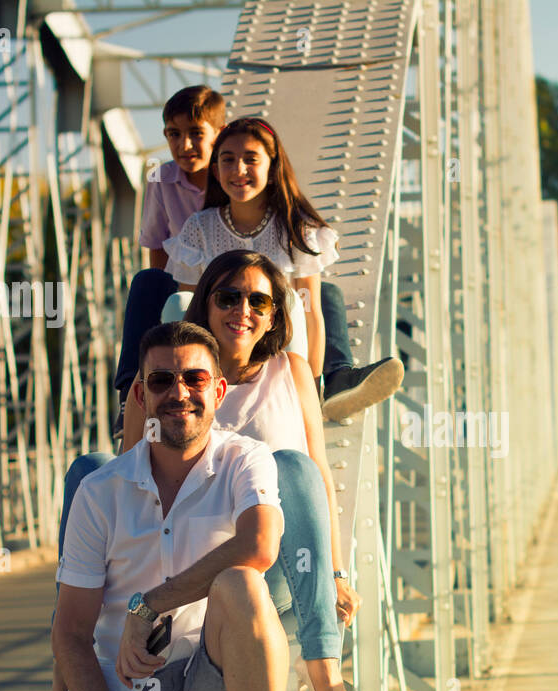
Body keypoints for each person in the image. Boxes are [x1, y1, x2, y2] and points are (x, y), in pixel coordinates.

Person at [0, 321, 308, 691]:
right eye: (161, 380)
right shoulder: (100, 491)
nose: (179, 392)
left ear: (218, 390)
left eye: (195, 378)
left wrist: (149, 603)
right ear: (140, 393)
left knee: (241, 581)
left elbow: (259, 545)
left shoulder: (244, 460)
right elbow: (70, 631)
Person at [121, 249, 359, 691]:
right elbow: (130, 492)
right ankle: (68, 685)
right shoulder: (167, 384)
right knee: (92, 469)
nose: (242, 311)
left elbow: (318, 479)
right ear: (205, 303)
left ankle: (321, 663)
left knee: (291, 466)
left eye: (259, 301)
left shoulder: (291, 374)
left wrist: (334, 571)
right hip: (190, 577)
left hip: (272, 570)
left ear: (274, 316)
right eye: (228, 296)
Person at [116, 105, 402, 441]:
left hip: (273, 344)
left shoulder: (297, 228)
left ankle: (329, 386)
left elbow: (310, 315)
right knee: (177, 301)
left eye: (251, 159)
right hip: (217, 346)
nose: (238, 169)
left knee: (298, 299)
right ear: (215, 167)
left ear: (272, 165)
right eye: (226, 159)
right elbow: (189, 312)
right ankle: (152, 397)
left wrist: (310, 385)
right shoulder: (200, 228)